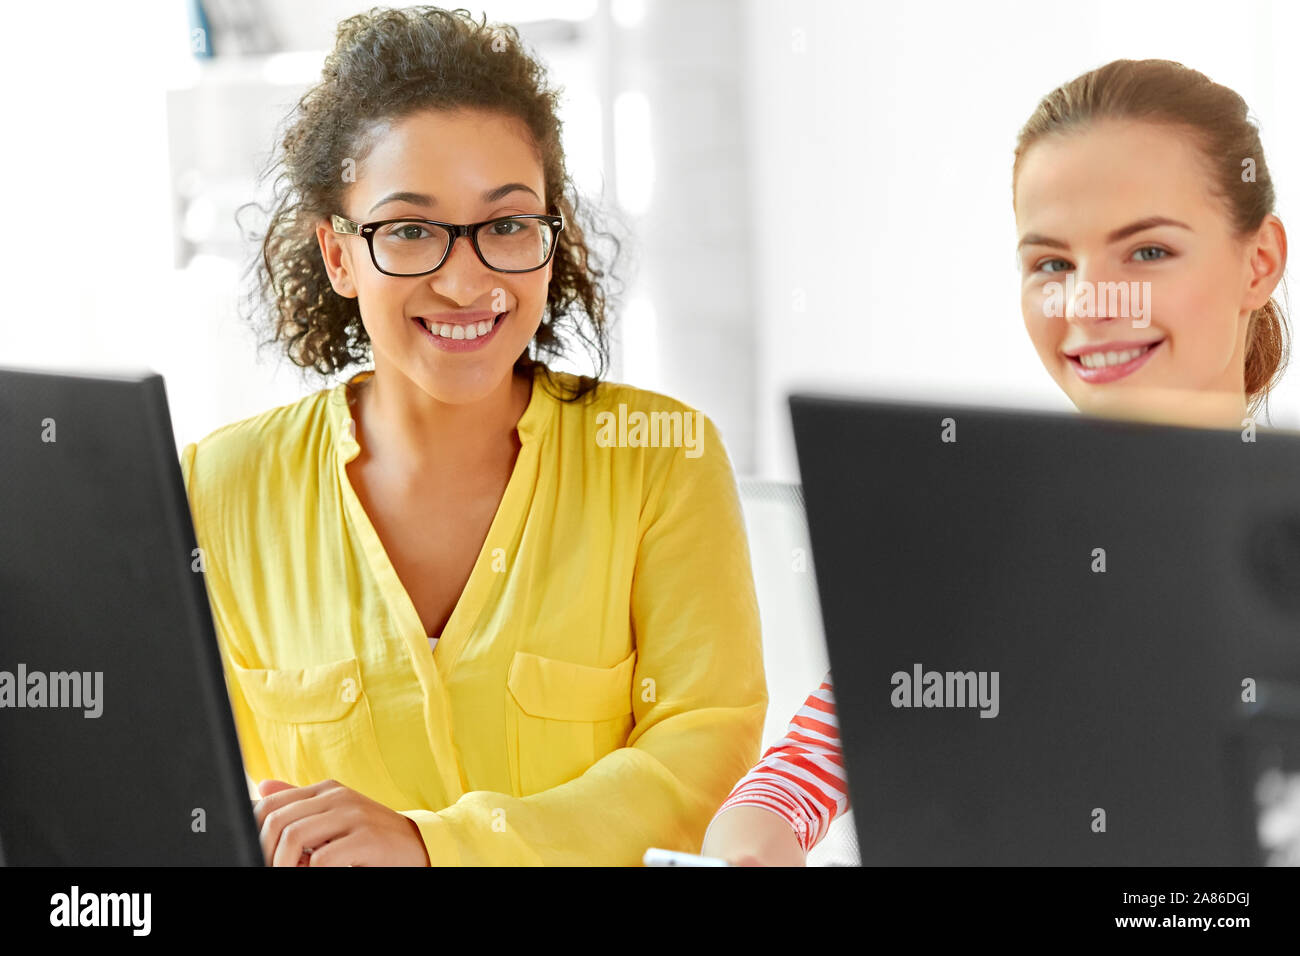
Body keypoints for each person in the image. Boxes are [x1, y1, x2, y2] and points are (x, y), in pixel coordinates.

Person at [181, 6, 766, 866]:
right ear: (338, 255)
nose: (466, 281)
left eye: (506, 225)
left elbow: (702, 771)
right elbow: (187, 788)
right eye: (410, 229)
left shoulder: (662, 459)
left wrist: (430, 845)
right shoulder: (218, 488)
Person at [701, 57, 1289, 866]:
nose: (1090, 304)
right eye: (1052, 264)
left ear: (1258, 262)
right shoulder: (975, 561)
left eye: (1147, 252)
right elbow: (783, 789)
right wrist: (748, 850)